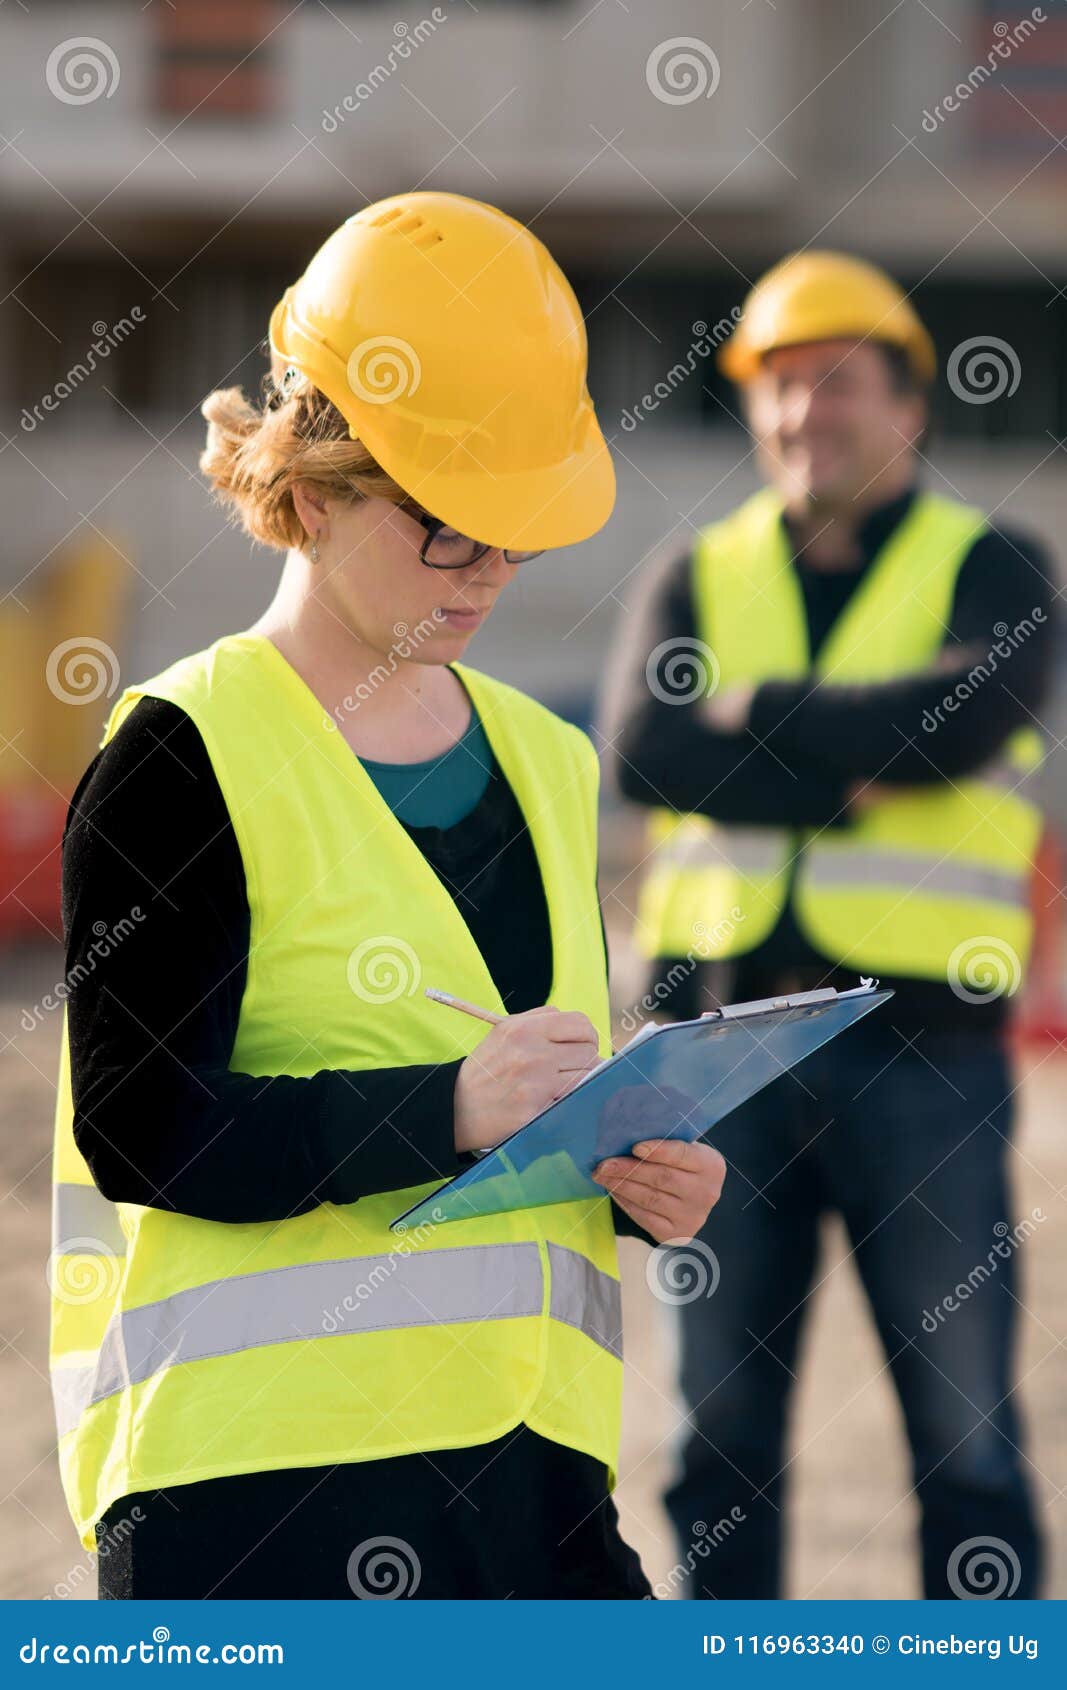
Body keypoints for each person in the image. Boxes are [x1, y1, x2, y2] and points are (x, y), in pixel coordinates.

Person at [49, 191, 726, 1600]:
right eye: (447, 531)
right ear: (310, 493)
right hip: (251, 1506)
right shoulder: (187, 752)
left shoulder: (546, 762)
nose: (488, 574)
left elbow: (520, 1125)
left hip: (533, 1485)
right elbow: (135, 1123)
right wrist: (443, 1107)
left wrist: (629, 1177)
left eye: (514, 537)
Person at [601, 250, 1054, 1599]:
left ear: (910, 405)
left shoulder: (997, 565)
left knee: (966, 1430)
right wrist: (857, 762)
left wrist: (750, 719)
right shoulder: (696, 570)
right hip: (716, 1054)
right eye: (782, 390)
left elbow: (967, 717)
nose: (807, 415)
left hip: (924, 1053)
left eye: (837, 385)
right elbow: (641, 748)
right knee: (714, 1440)